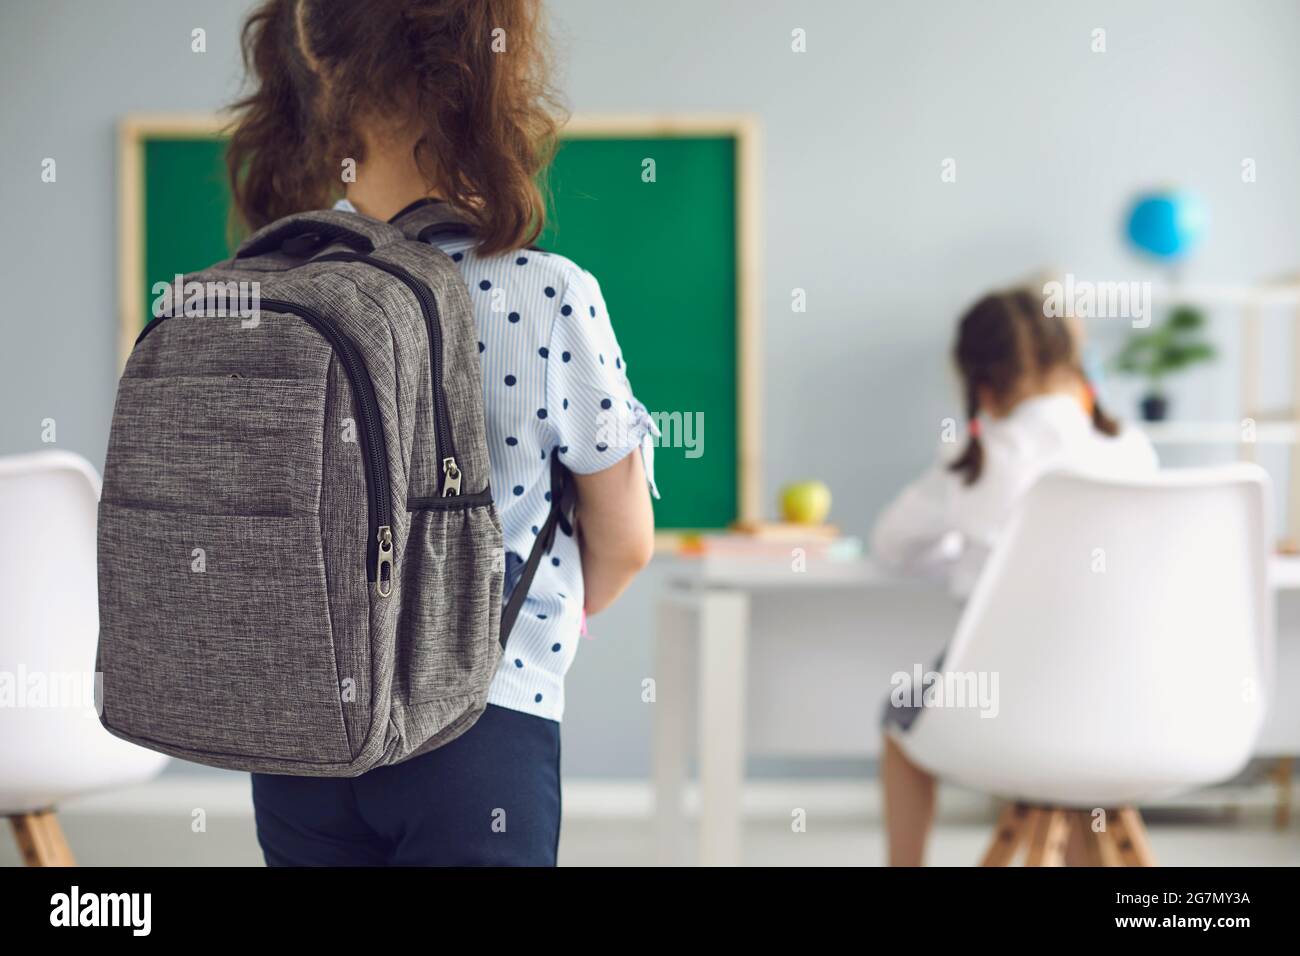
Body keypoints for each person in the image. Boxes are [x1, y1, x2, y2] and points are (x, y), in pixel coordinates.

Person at [232, 0, 657, 866]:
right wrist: (562, 615)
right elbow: (625, 543)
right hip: (480, 720)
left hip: (299, 728)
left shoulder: (274, 288)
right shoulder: (547, 294)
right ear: (492, 80)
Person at [872, 287, 1158, 866]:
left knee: (899, 714)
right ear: (1074, 366)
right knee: (1082, 768)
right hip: (1129, 705)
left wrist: (966, 556)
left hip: (1007, 713)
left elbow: (891, 546)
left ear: (981, 382)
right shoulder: (1131, 449)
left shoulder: (978, 458)